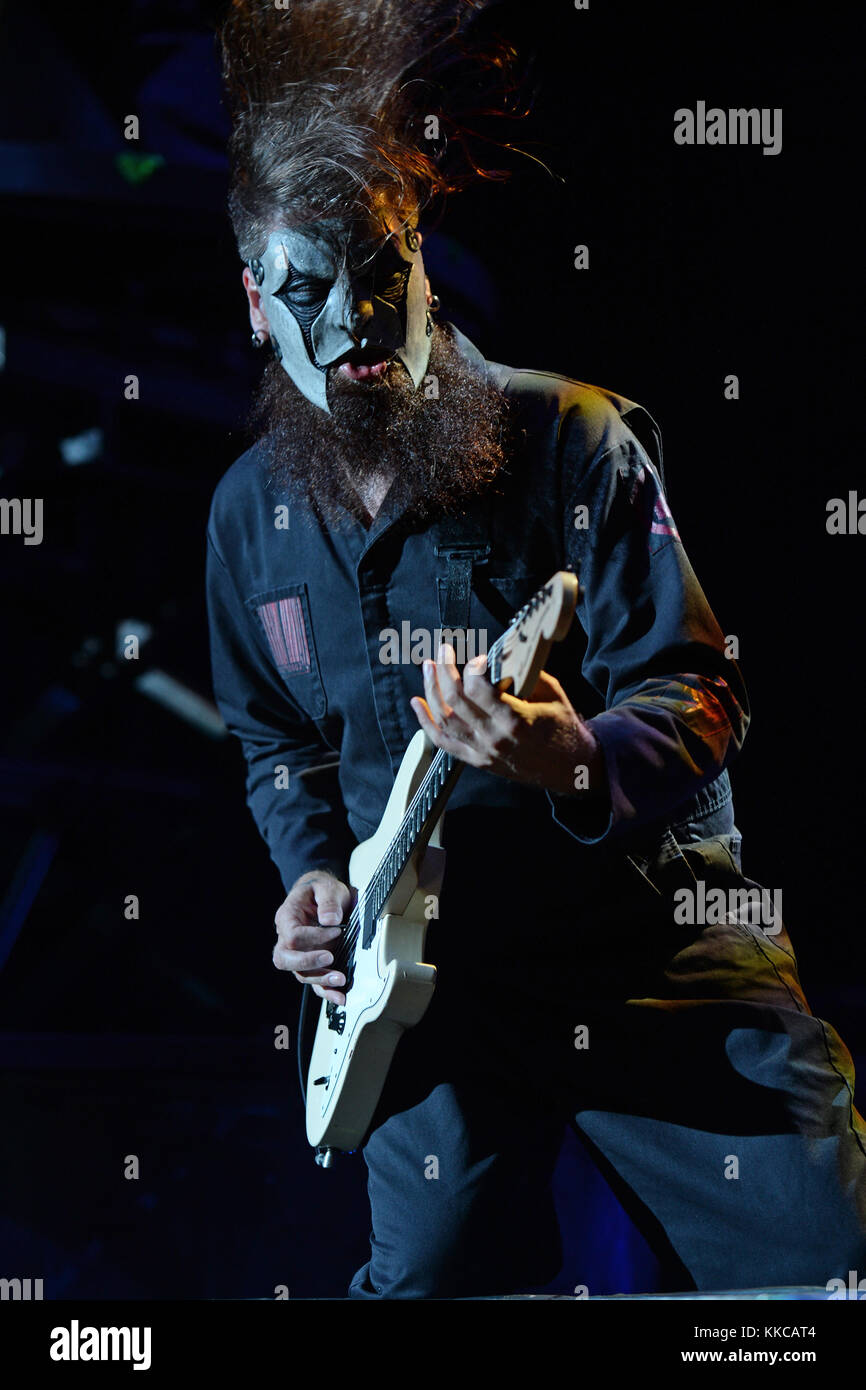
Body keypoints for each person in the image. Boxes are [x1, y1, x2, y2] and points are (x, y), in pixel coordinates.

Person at [207, 0, 866, 1298]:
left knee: (818, 1262)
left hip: (649, 957)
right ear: (251, 303)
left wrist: (572, 754)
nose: (348, 321)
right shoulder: (245, 517)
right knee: (437, 1278)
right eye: (302, 290)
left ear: (418, 259)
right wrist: (309, 874)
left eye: (377, 272)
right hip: (431, 993)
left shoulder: (573, 440)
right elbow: (273, 738)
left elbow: (700, 694)